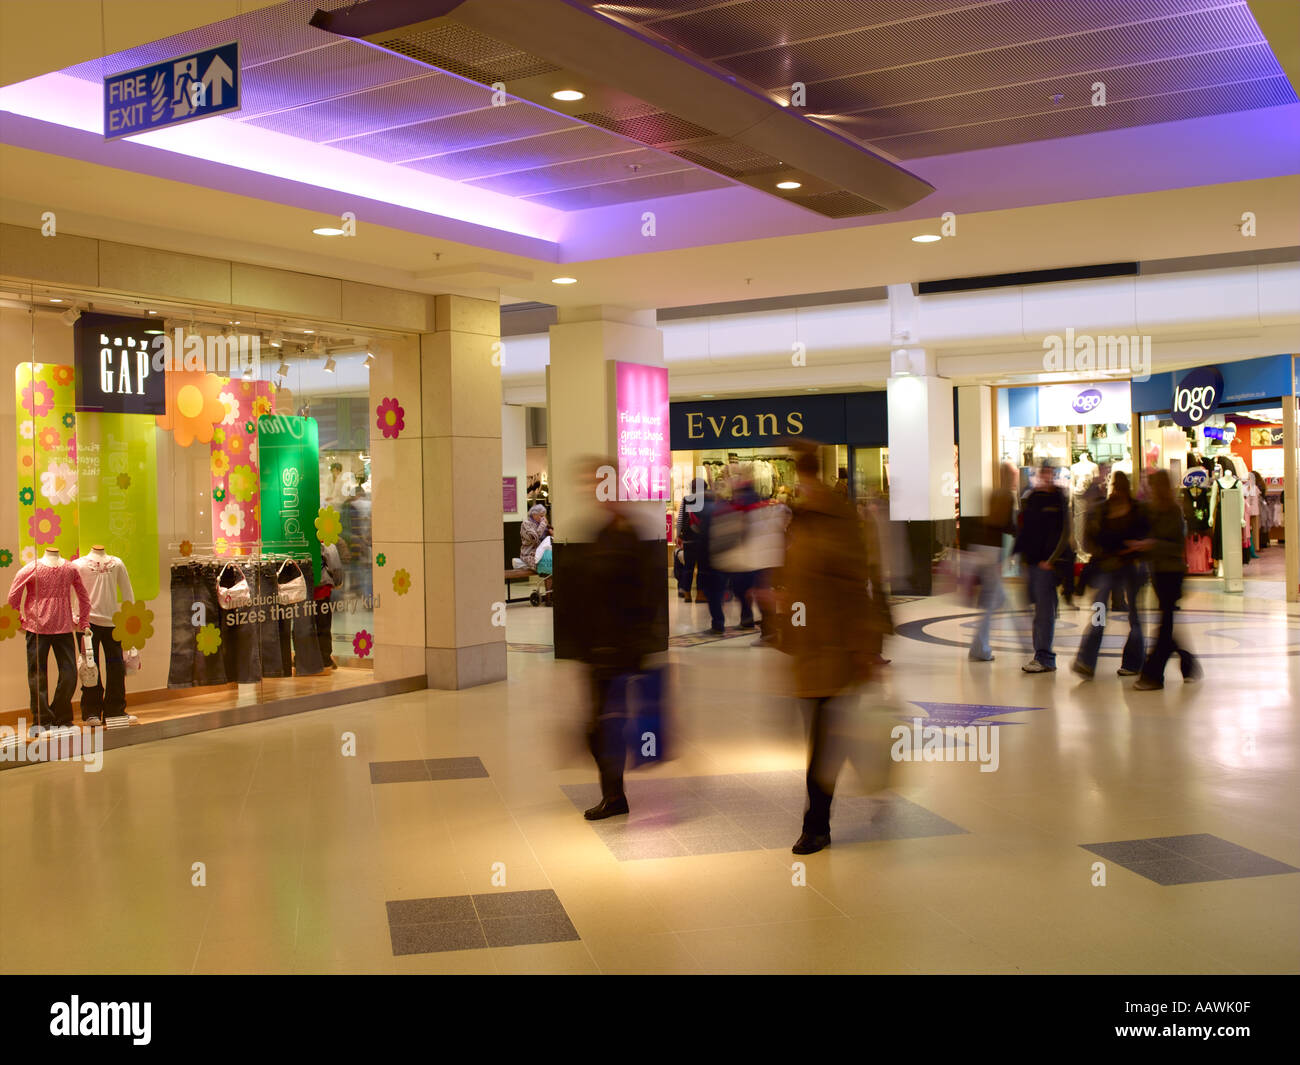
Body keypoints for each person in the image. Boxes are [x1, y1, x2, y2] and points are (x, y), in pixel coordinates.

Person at [778, 444, 880, 855]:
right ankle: (854, 790)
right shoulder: (800, 520)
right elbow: (796, 583)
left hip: (835, 650)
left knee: (823, 741)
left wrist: (865, 648)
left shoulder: (836, 521)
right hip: (810, 650)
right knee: (829, 736)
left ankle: (816, 825)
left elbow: (857, 588)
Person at [572, 459, 659, 821]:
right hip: (601, 649)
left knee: (603, 725)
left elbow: (645, 597)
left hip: (618, 651)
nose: (594, 490)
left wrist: (634, 646)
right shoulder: (603, 532)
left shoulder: (627, 536)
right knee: (600, 725)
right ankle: (613, 792)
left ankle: (614, 794)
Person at [1073, 471, 1149, 678]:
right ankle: (1086, 660)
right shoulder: (1102, 510)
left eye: (1119, 486)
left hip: (1130, 568)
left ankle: (1133, 662)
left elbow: (1144, 537)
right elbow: (1091, 540)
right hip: (1106, 568)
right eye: (1114, 486)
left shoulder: (1136, 510)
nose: (1116, 490)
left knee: (1135, 617)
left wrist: (1134, 549)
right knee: (1099, 613)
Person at [1132, 469, 1202, 689]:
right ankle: (1188, 663)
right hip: (1158, 572)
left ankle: (1153, 674)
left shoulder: (1173, 510)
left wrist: (1152, 545)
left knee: (1165, 624)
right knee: (1167, 623)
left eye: (1151, 486)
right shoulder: (1149, 510)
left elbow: (1176, 545)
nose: (1148, 489)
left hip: (1172, 572)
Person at [1014, 464, 1070, 673]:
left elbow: (1065, 532)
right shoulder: (1033, 499)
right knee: (1039, 611)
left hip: (1047, 566)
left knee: (1044, 612)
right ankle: (1041, 654)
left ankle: (1045, 656)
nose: (1045, 479)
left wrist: (1052, 560)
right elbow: (1025, 529)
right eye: (1042, 474)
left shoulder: (1058, 500)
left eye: (1048, 475)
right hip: (1032, 563)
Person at [967, 481, 1015, 662]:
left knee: (997, 597)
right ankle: (980, 648)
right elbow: (1010, 527)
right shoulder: (1006, 501)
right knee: (992, 601)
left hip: (982, 549)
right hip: (992, 552)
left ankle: (980, 646)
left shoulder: (989, 510)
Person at [675, 478, 707, 602]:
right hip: (702, 539)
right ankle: (700, 594)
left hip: (689, 538)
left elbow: (681, 519)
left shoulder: (686, 500)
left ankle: (687, 594)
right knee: (702, 568)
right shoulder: (707, 501)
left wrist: (678, 535)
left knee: (688, 567)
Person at [315, 541, 343, 669]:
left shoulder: (297, 540)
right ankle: (325, 659)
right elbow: (335, 566)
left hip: (302, 591)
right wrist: (337, 582)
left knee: (305, 626)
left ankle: (304, 658)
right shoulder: (324, 541)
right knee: (323, 625)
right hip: (321, 590)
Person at [519, 503, 550, 570]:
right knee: (544, 568)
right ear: (534, 515)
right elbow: (533, 538)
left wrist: (550, 531)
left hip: (542, 552)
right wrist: (542, 525)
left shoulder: (541, 524)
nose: (543, 518)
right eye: (541, 516)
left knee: (551, 565)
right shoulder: (526, 524)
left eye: (544, 516)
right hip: (529, 554)